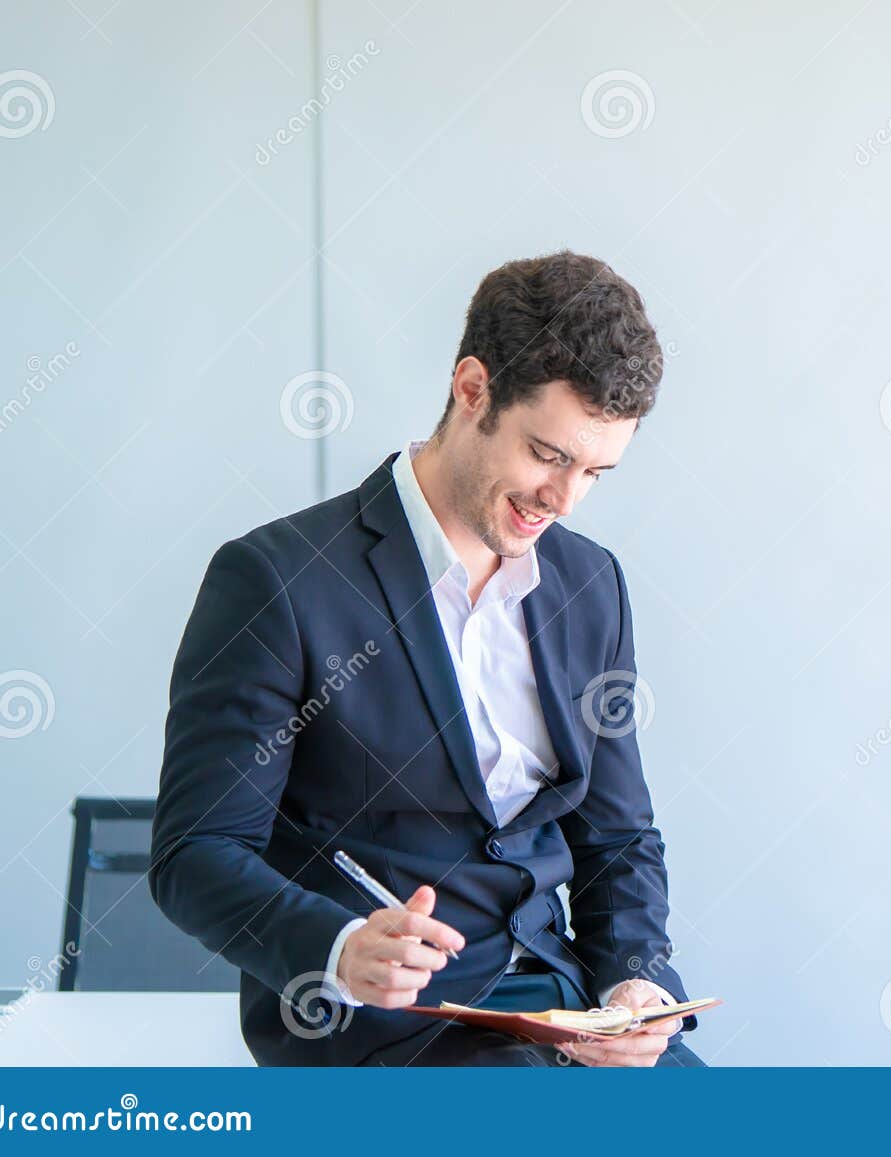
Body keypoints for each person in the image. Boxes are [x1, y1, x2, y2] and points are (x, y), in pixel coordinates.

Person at [150, 252, 703, 1067]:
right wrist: (338, 946)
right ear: (472, 389)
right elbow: (194, 853)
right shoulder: (278, 581)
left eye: (595, 471)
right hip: (385, 1030)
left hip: (560, 1006)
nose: (565, 499)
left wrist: (632, 983)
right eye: (548, 455)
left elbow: (617, 835)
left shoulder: (591, 584)